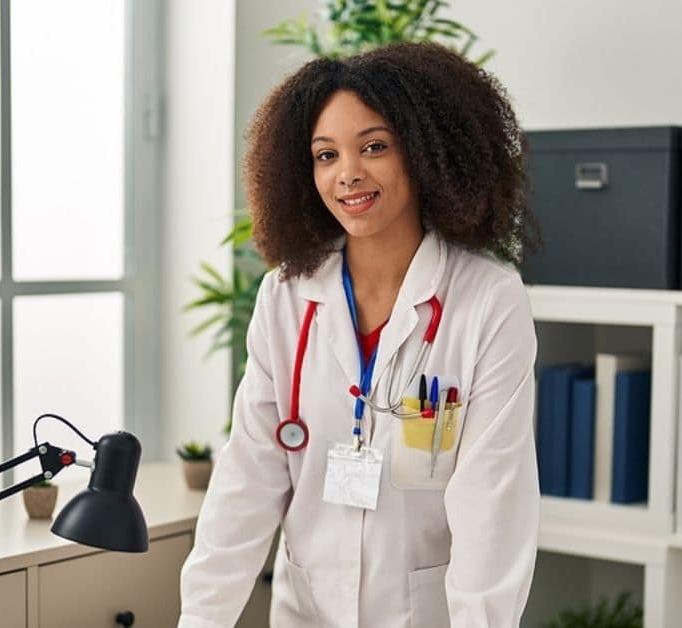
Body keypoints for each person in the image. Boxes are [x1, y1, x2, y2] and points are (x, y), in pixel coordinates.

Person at [180, 42, 541, 627]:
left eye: (374, 147)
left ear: (426, 154)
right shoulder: (287, 295)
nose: (347, 173)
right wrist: (200, 620)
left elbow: (493, 508)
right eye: (326, 155)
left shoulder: (487, 300)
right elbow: (247, 479)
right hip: (306, 609)